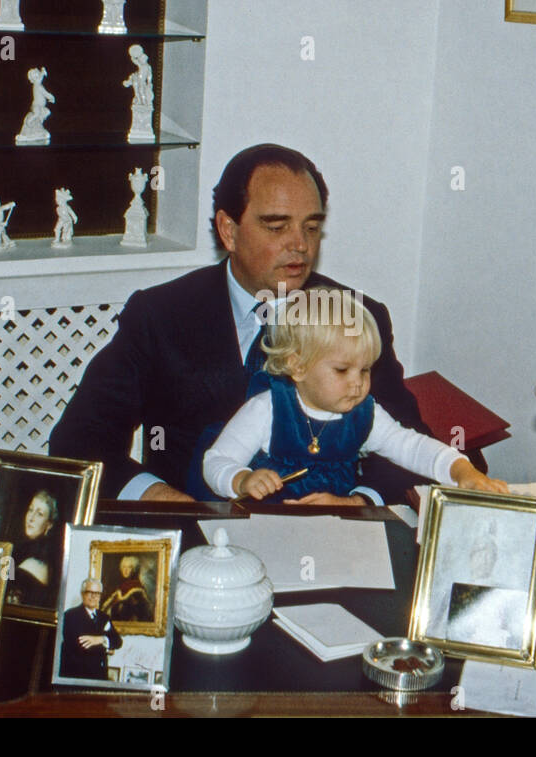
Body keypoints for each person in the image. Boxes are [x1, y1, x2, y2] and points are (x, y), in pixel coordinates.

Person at [48, 143, 433, 506]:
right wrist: (160, 498)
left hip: (326, 533)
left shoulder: (356, 316)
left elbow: (411, 442)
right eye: (277, 226)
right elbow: (80, 439)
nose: (300, 244)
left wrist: (359, 501)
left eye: (311, 227)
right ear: (229, 230)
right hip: (193, 532)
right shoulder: (160, 315)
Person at [203, 292, 509, 503]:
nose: (357, 384)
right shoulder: (267, 409)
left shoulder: (365, 414)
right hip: (267, 525)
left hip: (335, 528)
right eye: (341, 370)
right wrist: (241, 480)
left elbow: (411, 446)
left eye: (365, 370)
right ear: (298, 365)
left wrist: (461, 470)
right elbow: (216, 461)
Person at [59, 578, 122, 680]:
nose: (94, 596)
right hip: (76, 676)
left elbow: (118, 641)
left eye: (97, 593)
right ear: (82, 594)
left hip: (100, 676)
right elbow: (79, 644)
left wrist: (101, 639)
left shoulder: (104, 617)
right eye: (90, 592)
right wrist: (106, 645)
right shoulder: (70, 615)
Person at [9, 491, 60, 607]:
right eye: (30, 510)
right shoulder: (17, 548)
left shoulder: (43, 558)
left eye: (40, 514)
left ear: (49, 524)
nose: (31, 518)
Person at [100, 555, 152, 622]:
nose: (126, 570)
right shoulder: (122, 586)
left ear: (134, 569)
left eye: (129, 567)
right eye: (124, 567)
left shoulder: (136, 587)